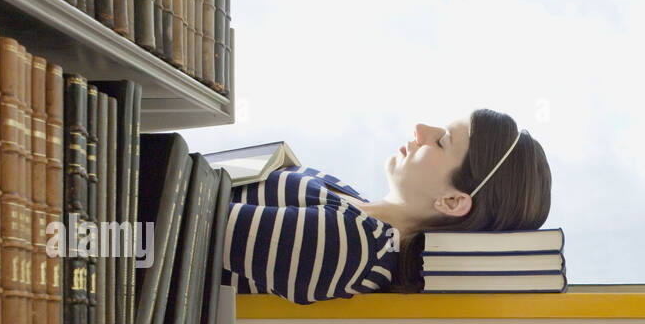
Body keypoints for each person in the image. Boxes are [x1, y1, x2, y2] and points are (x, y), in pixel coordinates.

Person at [221, 108, 551, 300]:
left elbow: (190, 225)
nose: (421, 130)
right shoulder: (354, 203)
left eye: (441, 141)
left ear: (452, 201)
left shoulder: (353, 246)